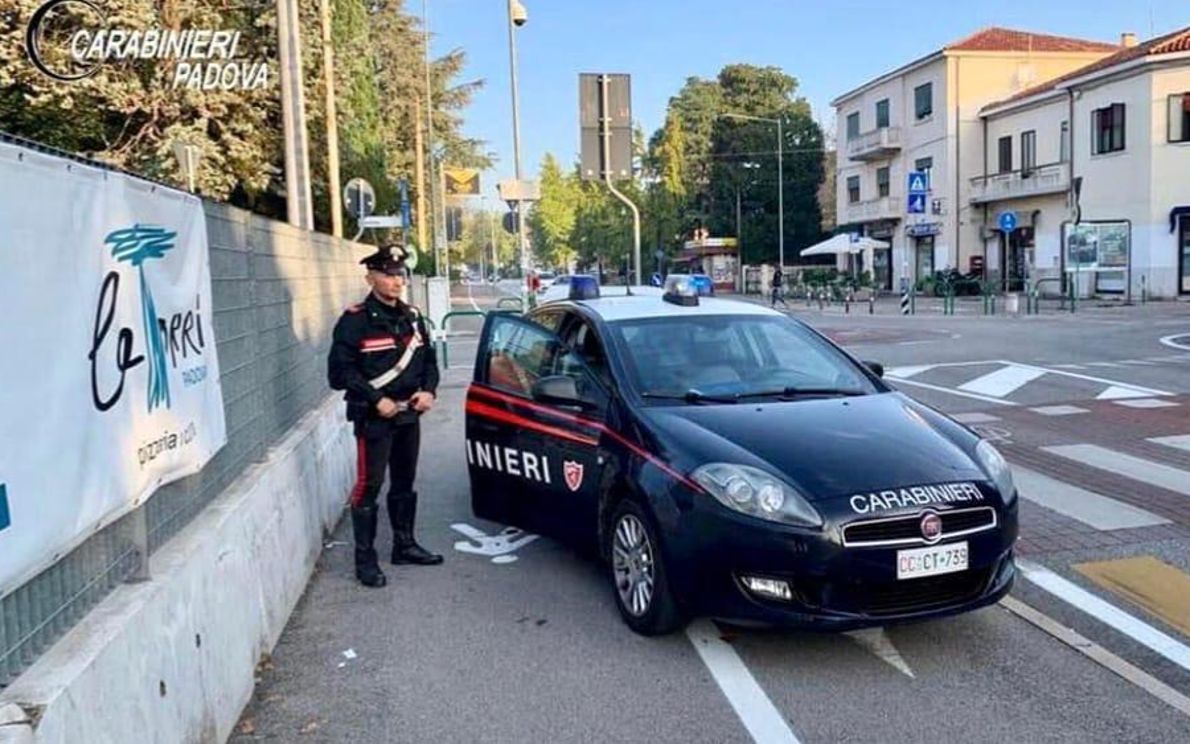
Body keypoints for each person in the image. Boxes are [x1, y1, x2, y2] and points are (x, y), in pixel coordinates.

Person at [328, 245, 443, 588]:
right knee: (370, 486)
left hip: (409, 415)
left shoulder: (412, 316)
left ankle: (404, 546)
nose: (396, 281)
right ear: (370, 277)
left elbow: (430, 363)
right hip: (374, 418)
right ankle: (365, 561)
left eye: (399, 275)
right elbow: (339, 374)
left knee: (405, 482)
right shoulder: (355, 320)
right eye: (388, 274)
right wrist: (376, 399)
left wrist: (429, 391)